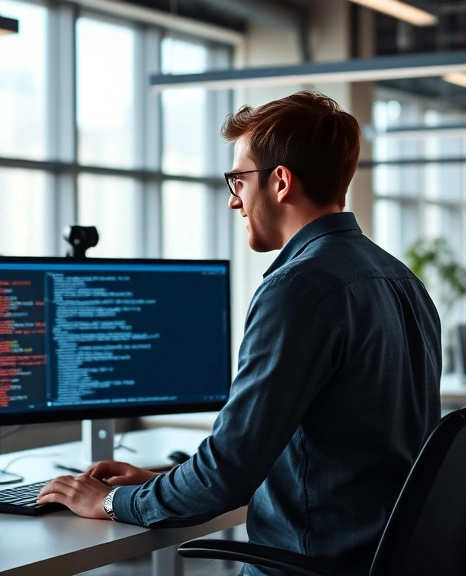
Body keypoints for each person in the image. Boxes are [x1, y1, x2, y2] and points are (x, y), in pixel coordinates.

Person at [37, 91, 442, 576]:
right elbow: (337, 450)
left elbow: (227, 475)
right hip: (378, 555)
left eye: (238, 180)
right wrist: (162, 481)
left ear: (280, 182)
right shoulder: (400, 279)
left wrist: (111, 503)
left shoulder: (297, 289)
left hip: (313, 563)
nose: (234, 200)